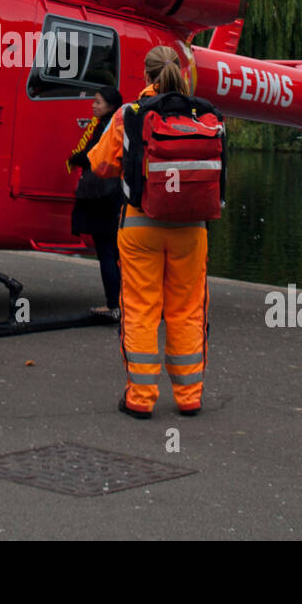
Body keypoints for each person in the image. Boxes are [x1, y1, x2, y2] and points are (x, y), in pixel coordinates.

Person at [87, 47, 209, 419]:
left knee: (140, 309)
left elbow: (101, 165)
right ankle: (189, 397)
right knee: (187, 310)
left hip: (141, 225)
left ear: (145, 75)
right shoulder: (203, 112)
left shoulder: (130, 114)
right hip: (192, 226)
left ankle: (140, 399)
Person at [66, 85, 124, 318]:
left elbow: (91, 156)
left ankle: (113, 304)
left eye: (98, 102)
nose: (94, 105)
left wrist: (73, 158)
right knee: (116, 252)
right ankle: (125, 302)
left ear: (110, 106)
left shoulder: (106, 128)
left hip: (102, 196)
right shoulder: (114, 124)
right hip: (113, 195)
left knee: (107, 252)